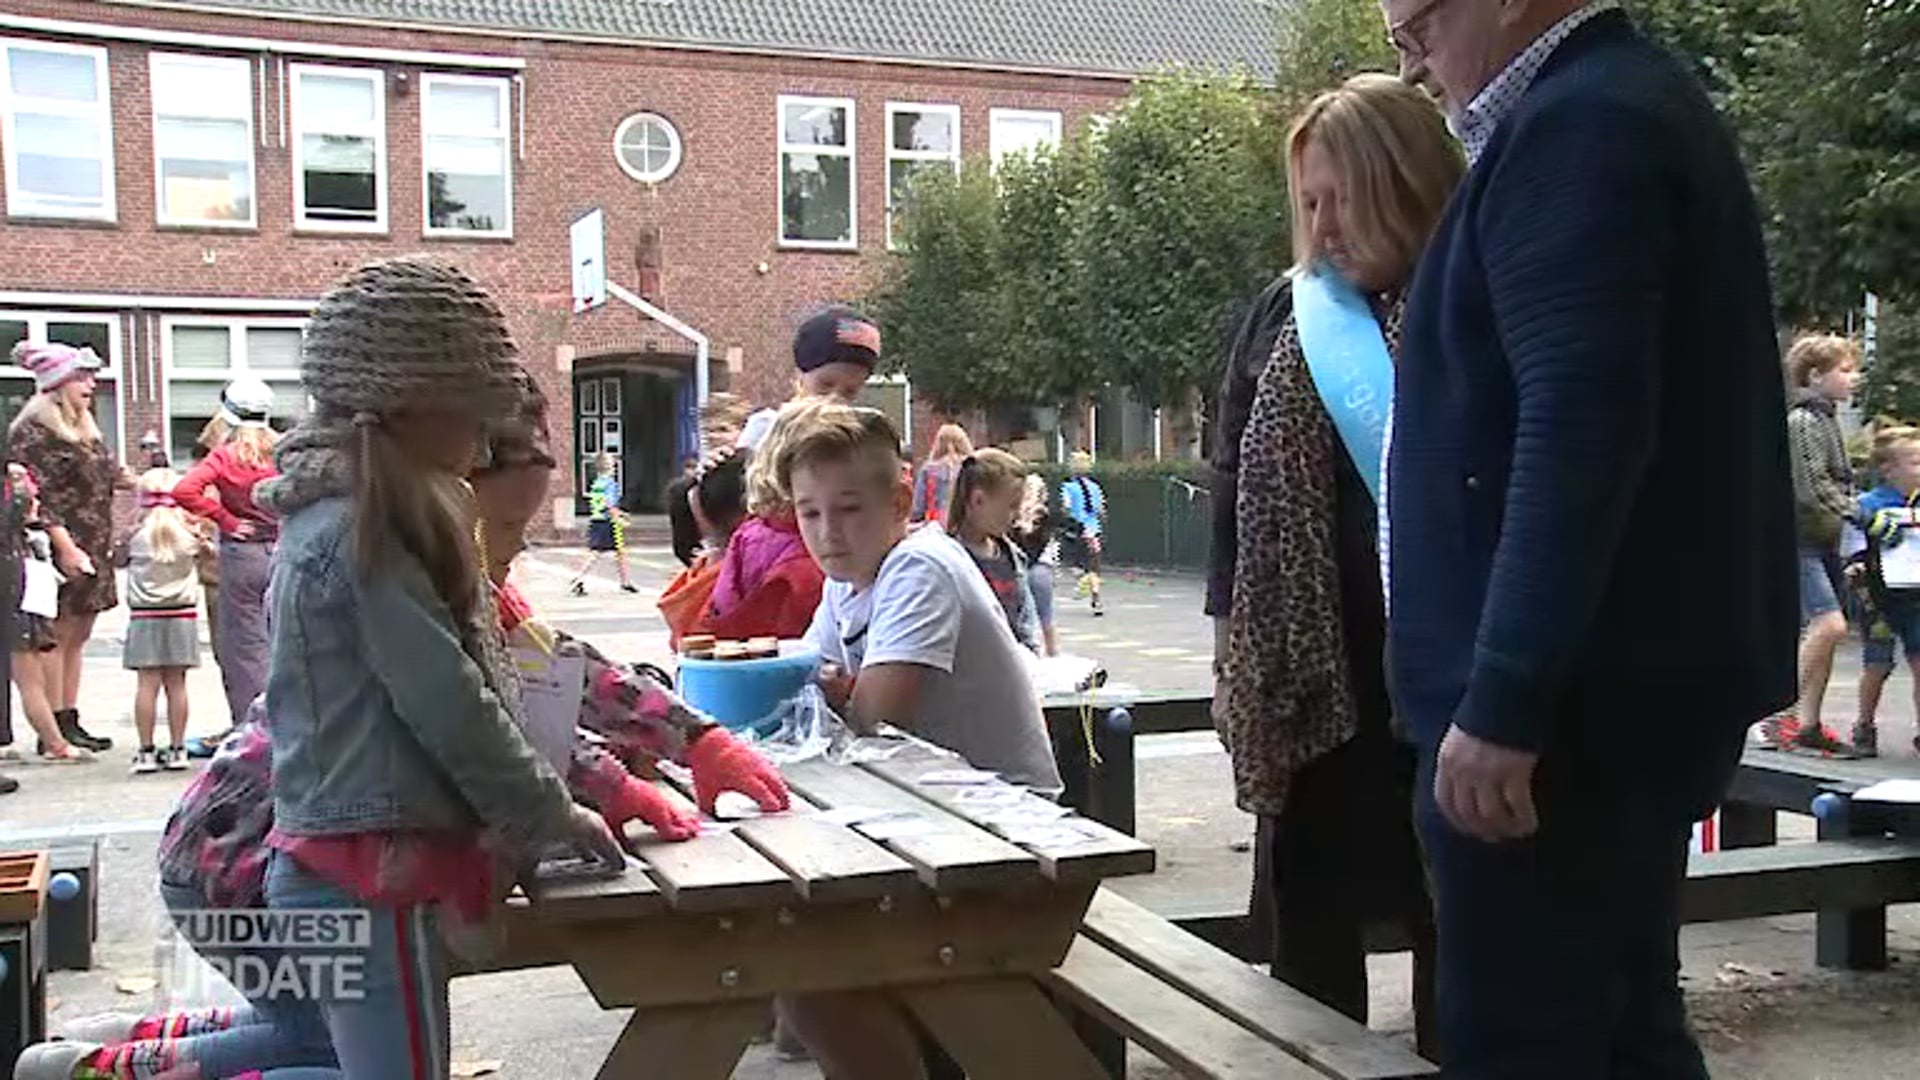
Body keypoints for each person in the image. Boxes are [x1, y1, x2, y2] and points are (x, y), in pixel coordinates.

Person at [1382, 2, 1797, 1076]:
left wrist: (1506, 697)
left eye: (1417, 25)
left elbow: (1580, 425)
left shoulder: (1580, 129)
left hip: (1560, 733)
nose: (1412, 63)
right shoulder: (1615, 105)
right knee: (1620, 1031)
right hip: (1601, 709)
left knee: (1537, 1040)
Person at [253, 256, 625, 1077]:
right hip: (370, 882)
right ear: (410, 407)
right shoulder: (367, 540)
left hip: (317, 865)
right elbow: (450, 702)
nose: (484, 442)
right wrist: (549, 811)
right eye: (471, 415)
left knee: (335, 1053)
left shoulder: (327, 519)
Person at [1210, 72, 1457, 1052]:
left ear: (1407, 182)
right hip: (1312, 682)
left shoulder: (1466, 300)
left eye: (1342, 197)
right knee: (1310, 941)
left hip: (1436, 678)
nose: (1321, 225)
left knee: (1458, 928)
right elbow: (1233, 491)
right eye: (1306, 202)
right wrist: (1236, 653)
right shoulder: (1284, 314)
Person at [770, 398, 1060, 1080]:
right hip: (932, 827)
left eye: (847, 509)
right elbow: (809, 700)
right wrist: (828, 692)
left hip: (1007, 840)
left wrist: (836, 693)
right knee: (791, 957)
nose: (827, 533)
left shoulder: (918, 566)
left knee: (805, 966)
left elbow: (872, 716)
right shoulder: (850, 583)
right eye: (809, 513)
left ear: (900, 496)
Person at [8, 340, 126, 753]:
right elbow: (41, 497)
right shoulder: (33, 432)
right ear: (57, 383)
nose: (90, 384)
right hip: (62, 546)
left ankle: (71, 717)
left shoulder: (84, 427)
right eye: (81, 377)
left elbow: (107, 474)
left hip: (94, 539)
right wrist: (66, 547)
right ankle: (53, 724)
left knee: (79, 633)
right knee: (56, 634)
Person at [173, 378, 280, 743]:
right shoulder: (282, 452)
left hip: (243, 555)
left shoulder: (225, 454)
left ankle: (252, 734)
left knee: (244, 648)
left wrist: (227, 520)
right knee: (283, 640)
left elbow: (183, 490)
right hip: (282, 552)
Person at [1774, 332, 1865, 754]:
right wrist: (1858, 513)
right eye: (1844, 370)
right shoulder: (1804, 422)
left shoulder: (1825, 418)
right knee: (1829, 626)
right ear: (1814, 375)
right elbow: (1811, 487)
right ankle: (1777, 714)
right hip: (1802, 538)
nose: (1854, 378)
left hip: (1825, 539)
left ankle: (1807, 722)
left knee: (1828, 633)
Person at [4, 464, 93, 766]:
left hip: (26, 604)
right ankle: (54, 741)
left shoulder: (25, 539)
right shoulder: (10, 540)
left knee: (29, 678)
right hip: (17, 606)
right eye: (34, 502)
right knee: (30, 680)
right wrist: (19, 492)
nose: (39, 508)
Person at [119, 468, 206, 774]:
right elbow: (210, 557)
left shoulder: (136, 537)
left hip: (144, 616)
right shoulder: (189, 537)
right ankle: (178, 747)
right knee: (177, 684)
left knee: (146, 684)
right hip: (182, 615)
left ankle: (145, 750)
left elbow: (116, 558)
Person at [1849, 425, 1920, 757]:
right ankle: (1865, 724)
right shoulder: (1868, 504)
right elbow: (1851, 545)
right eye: (1915, 462)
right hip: (1877, 596)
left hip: (1915, 594)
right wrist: (1857, 564)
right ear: (1889, 469)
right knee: (1878, 663)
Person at [736, 305, 880, 450]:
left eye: (850, 391)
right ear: (799, 376)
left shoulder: (860, 441)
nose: (835, 398)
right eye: (825, 385)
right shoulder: (766, 429)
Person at [945, 448, 1042, 653]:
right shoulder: (945, 560)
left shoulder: (1013, 557)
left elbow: (1025, 623)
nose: (1016, 515)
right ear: (977, 500)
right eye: (1011, 506)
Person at [569, 451, 635, 596]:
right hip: (607, 522)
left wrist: (620, 513)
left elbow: (598, 503)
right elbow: (608, 504)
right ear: (609, 466)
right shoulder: (610, 484)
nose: (615, 465)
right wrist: (618, 517)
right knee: (597, 552)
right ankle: (577, 578)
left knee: (618, 552)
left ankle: (625, 582)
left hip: (597, 519)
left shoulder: (596, 483)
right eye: (612, 462)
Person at [1010, 473, 1061, 657]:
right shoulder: (1044, 515)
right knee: (1045, 616)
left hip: (1023, 569)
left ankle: (1033, 654)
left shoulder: (1014, 515)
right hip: (1041, 568)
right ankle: (1052, 655)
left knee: (1024, 616)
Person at [1059, 450, 1106, 615]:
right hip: (1094, 530)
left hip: (1077, 530)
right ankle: (1096, 599)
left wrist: (1066, 517)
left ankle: (1082, 583)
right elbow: (1101, 510)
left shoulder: (1068, 487)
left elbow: (1066, 507)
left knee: (1074, 563)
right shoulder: (1095, 487)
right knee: (1094, 566)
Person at [910, 423, 974, 525]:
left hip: (935, 526)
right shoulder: (971, 467)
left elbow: (918, 509)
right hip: (963, 526)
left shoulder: (928, 470)